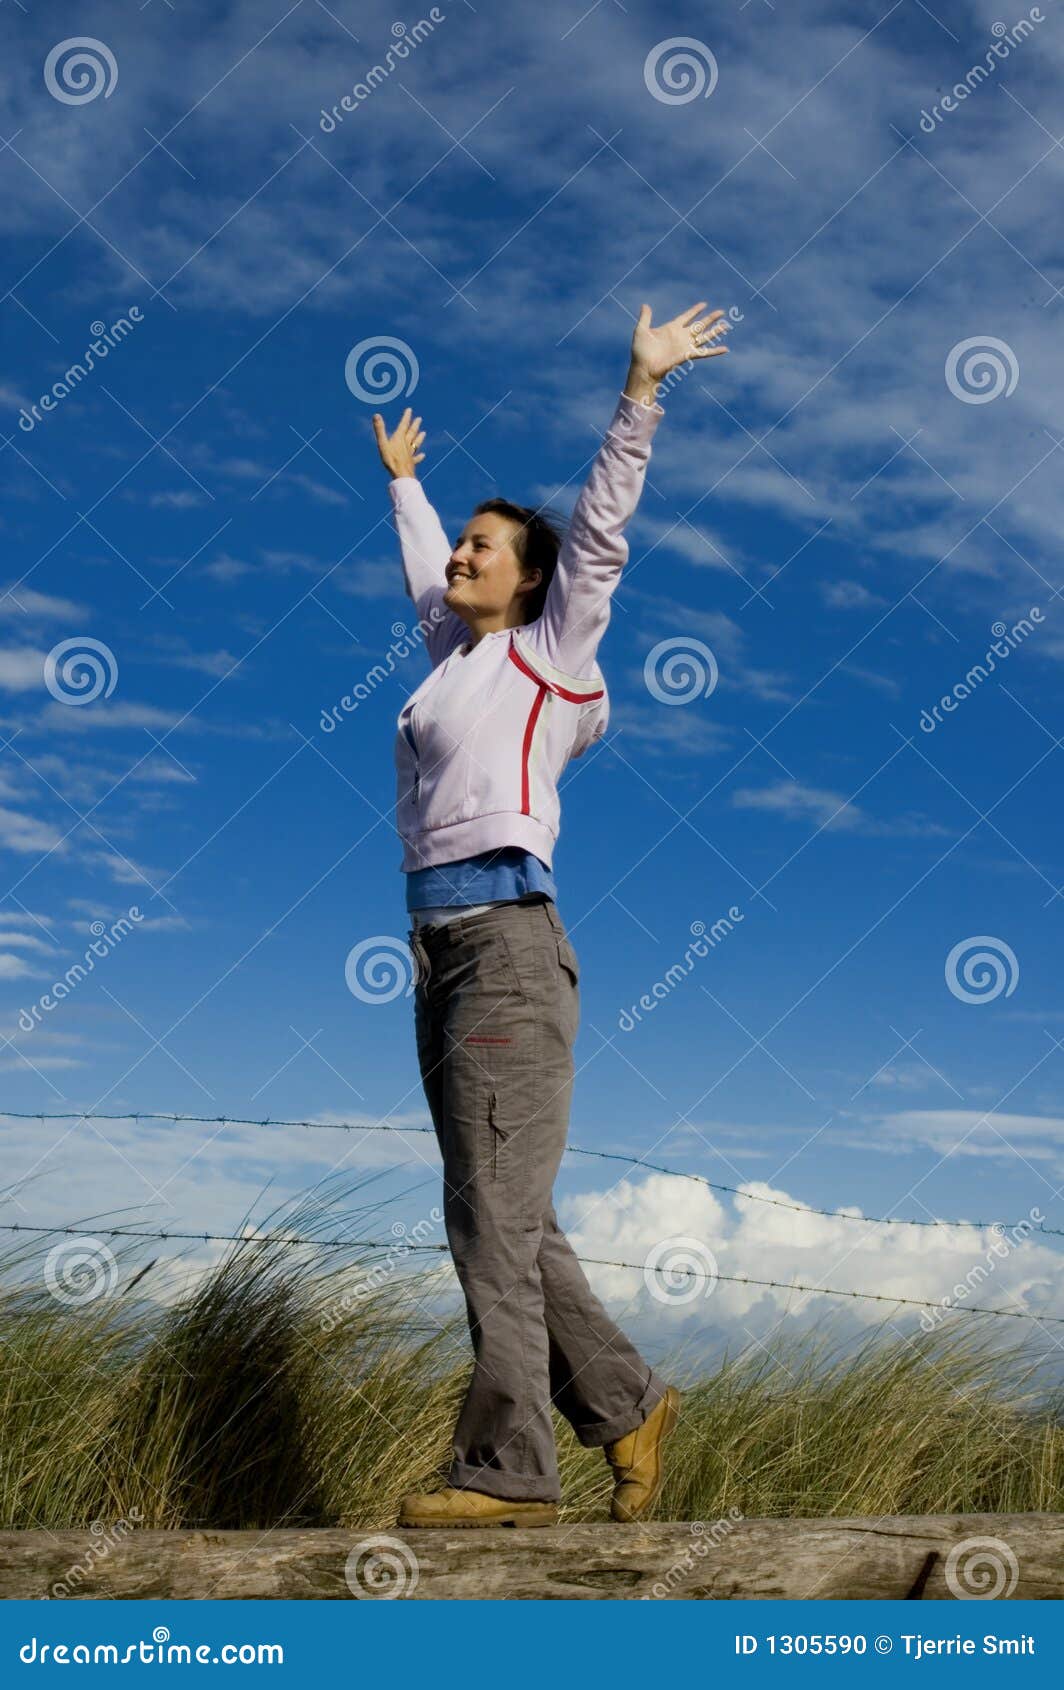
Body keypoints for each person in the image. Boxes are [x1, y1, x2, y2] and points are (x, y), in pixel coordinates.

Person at [372, 301, 731, 1528]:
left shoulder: (548, 653)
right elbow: (424, 569)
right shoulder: (449, 658)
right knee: (503, 1213)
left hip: (507, 948)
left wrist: (640, 392)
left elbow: (602, 537)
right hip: (440, 952)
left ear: (528, 581)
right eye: (460, 545)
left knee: (488, 1218)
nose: (460, 557)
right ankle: (628, 1404)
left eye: (482, 546)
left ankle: (510, 1471)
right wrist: (405, 488)